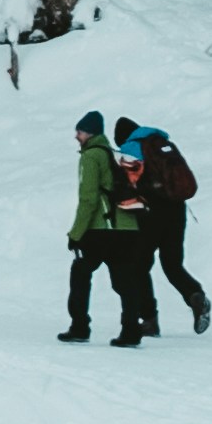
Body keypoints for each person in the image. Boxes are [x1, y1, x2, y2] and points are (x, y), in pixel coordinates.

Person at [60, 110, 156, 346]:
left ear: (89, 133)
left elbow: (89, 199)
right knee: (125, 281)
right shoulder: (113, 156)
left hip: (100, 229)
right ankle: (131, 331)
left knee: (80, 275)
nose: (76, 136)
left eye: (79, 131)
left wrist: (76, 234)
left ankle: (80, 327)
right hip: (127, 229)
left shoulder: (91, 157)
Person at [118, 119, 211, 333]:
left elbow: (128, 185)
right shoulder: (161, 142)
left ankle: (149, 320)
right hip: (177, 210)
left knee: (139, 267)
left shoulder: (131, 148)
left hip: (152, 213)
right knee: (172, 264)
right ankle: (195, 295)